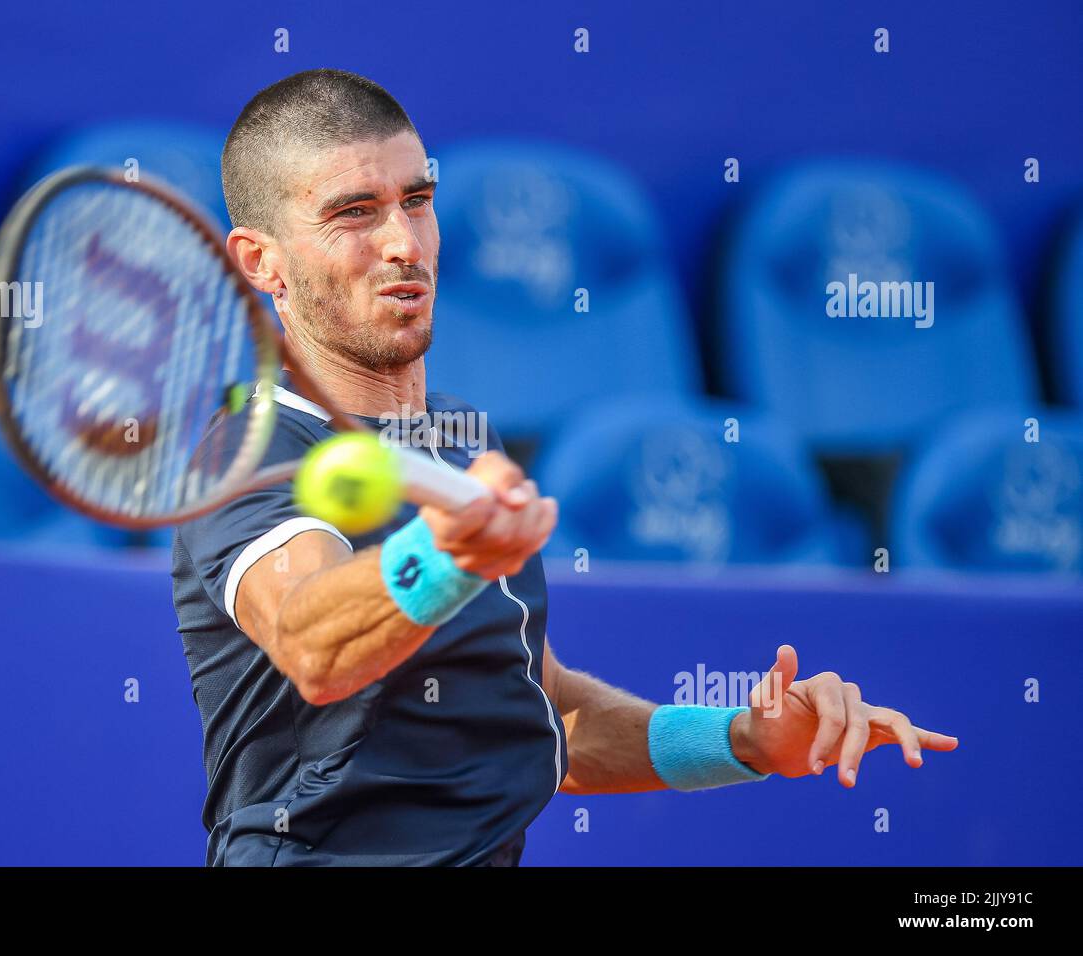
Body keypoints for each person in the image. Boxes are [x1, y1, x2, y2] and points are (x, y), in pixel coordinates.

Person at [171, 68, 958, 866]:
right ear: (259, 261)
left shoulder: (460, 441)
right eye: (353, 213)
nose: (404, 244)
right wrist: (445, 556)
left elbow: (548, 718)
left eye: (417, 199)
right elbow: (314, 648)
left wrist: (746, 739)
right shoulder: (249, 448)